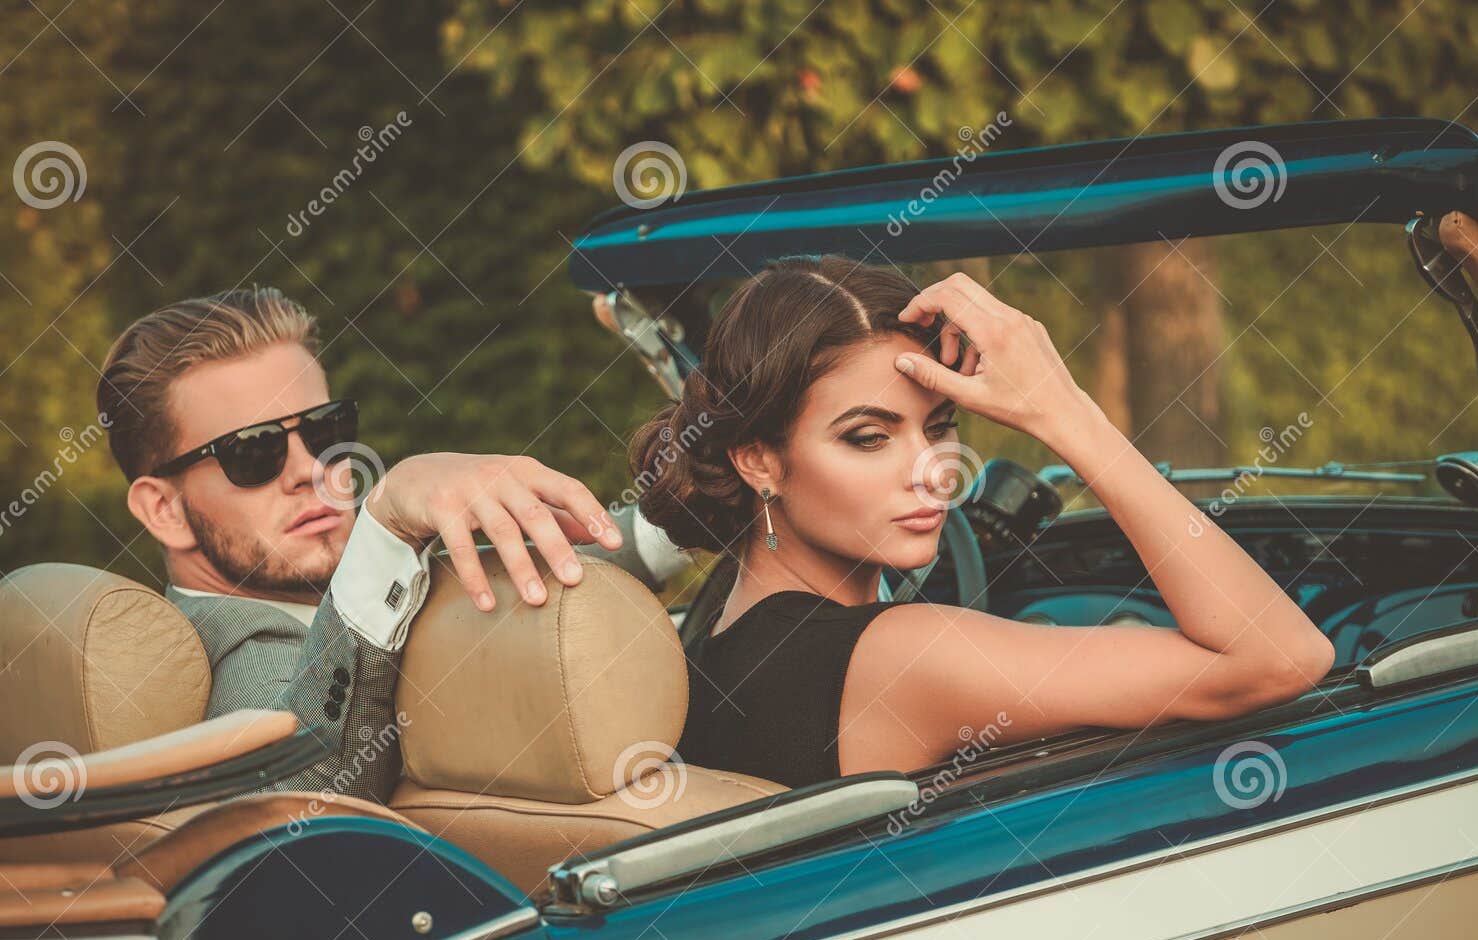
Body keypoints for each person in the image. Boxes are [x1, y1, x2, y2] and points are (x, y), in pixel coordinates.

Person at [630, 257, 1334, 788]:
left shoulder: (712, 640)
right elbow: (1278, 657)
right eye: (868, 437)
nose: (935, 472)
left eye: (940, 427)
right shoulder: (904, 656)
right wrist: (1065, 411)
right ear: (759, 460)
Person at [102, 286, 690, 803]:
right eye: (252, 451)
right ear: (164, 510)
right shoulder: (218, 661)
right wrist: (383, 527)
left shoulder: (356, 603)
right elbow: (295, 805)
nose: (312, 469)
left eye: (324, 430)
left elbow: (511, 590)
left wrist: (687, 514)